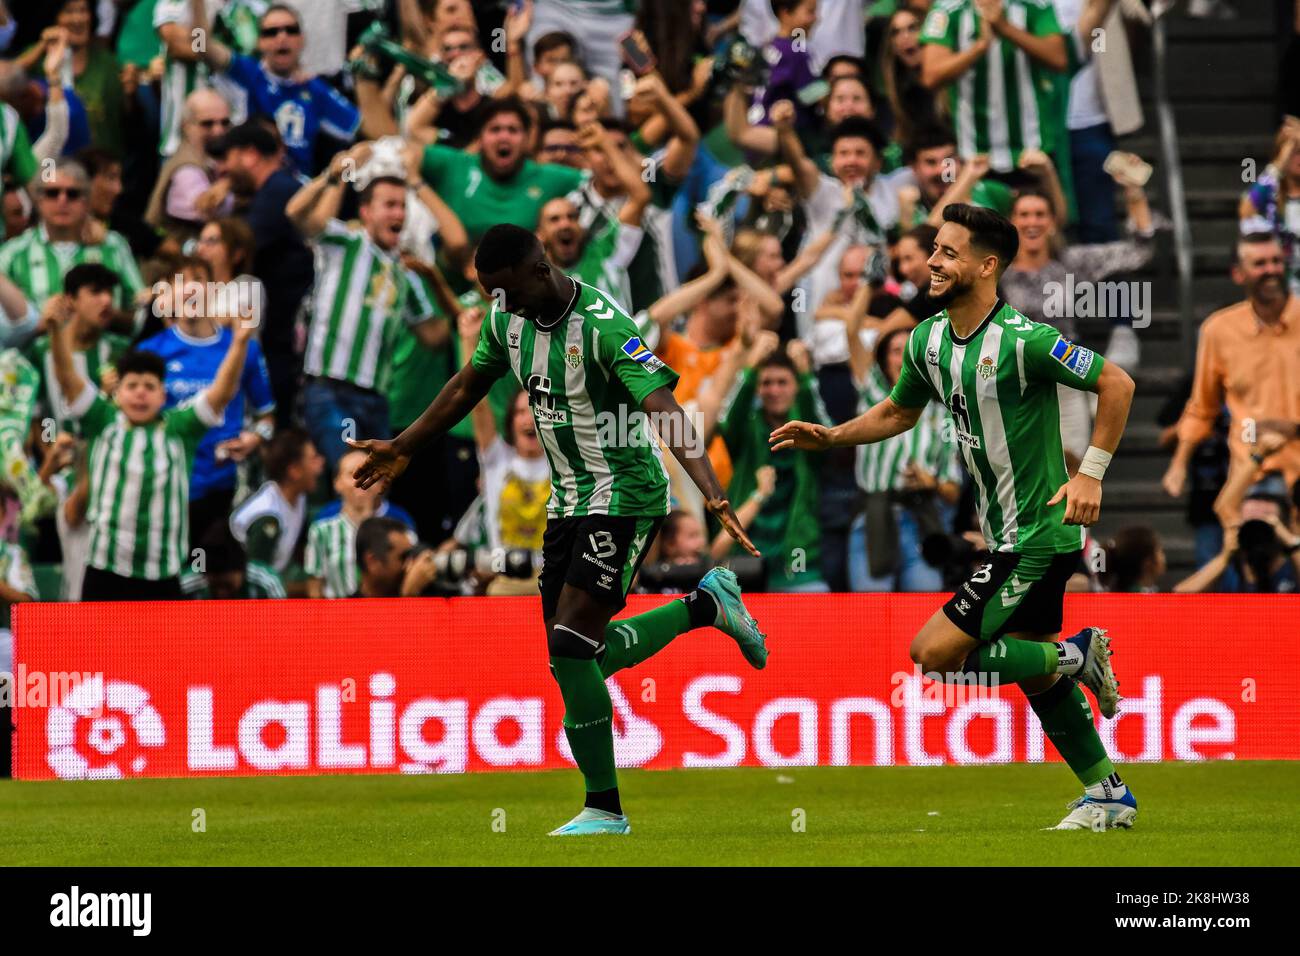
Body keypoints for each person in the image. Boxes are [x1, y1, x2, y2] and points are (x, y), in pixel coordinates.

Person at [349, 223, 768, 837]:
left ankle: (605, 809)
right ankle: (705, 606)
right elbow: (470, 382)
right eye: (491, 293)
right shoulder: (504, 322)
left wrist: (711, 490)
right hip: (567, 502)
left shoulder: (604, 325)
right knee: (574, 656)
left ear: (540, 271)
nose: (502, 304)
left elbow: (662, 408)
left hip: (626, 494)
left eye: (508, 291)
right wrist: (404, 446)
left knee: (570, 642)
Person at [771, 203, 1138, 830]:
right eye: (935, 250)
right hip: (1004, 535)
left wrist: (1090, 472)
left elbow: (1118, 383)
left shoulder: (1025, 340)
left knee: (934, 654)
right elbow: (896, 413)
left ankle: (1078, 658)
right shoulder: (926, 339)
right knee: (1033, 673)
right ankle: (1108, 792)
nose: (934, 262)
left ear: (987, 265)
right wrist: (831, 437)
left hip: (1038, 534)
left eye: (948, 252)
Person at [45, 301, 256, 600]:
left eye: (149, 385)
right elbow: (68, 380)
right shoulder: (102, 420)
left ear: (162, 395)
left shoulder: (181, 428)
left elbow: (222, 393)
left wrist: (240, 342)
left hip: (162, 575)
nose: (140, 392)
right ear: (118, 395)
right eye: (132, 386)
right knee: (101, 649)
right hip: (105, 570)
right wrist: (55, 331)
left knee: (161, 650)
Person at [287, 143, 445, 474]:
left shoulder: (406, 274)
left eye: (402, 207)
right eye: (389, 205)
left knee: (370, 488)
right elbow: (297, 213)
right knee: (352, 475)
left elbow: (435, 336)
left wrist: (443, 286)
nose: (398, 214)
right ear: (366, 212)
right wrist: (335, 173)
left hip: (377, 403)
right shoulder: (345, 243)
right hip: (331, 390)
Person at [137, 256, 276, 551]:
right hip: (167, 485)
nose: (189, 290)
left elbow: (267, 418)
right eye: (180, 282)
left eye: (198, 280)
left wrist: (254, 438)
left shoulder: (243, 347)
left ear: (214, 290)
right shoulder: (150, 352)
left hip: (224, 486)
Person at [1162, 234, 1300, 500]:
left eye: (1276, 261)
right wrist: (1178, 465)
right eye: (1260, 263)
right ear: (1238, 274)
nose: (1271, 270)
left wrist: (1293, 428)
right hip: (1250, 476)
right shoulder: (1219, 330)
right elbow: (1202, 408)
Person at [0, 158, 144, 313]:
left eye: (73, 194)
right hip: (40, 337)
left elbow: (139, 309)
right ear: (38, 200)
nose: (62, 200)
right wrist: (40, 323)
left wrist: (102, 315)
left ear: (86, 201)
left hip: (105, 337)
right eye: (52, 193)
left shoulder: (113, 245)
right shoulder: (13, 253)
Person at [305, 448, 412, 600]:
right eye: (351, 474)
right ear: (337, 483)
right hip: (338, 618)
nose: (360, 480)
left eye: (368, 473)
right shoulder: (321, 531)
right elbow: (315, 587)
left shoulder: (399, 528)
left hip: (387, 615)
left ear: (380, 482)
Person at [351, 514, 436, 598]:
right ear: (373, 561)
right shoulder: (346, 609)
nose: (410, 566)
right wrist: (409, 597)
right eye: (403, 557)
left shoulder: (423, 592)